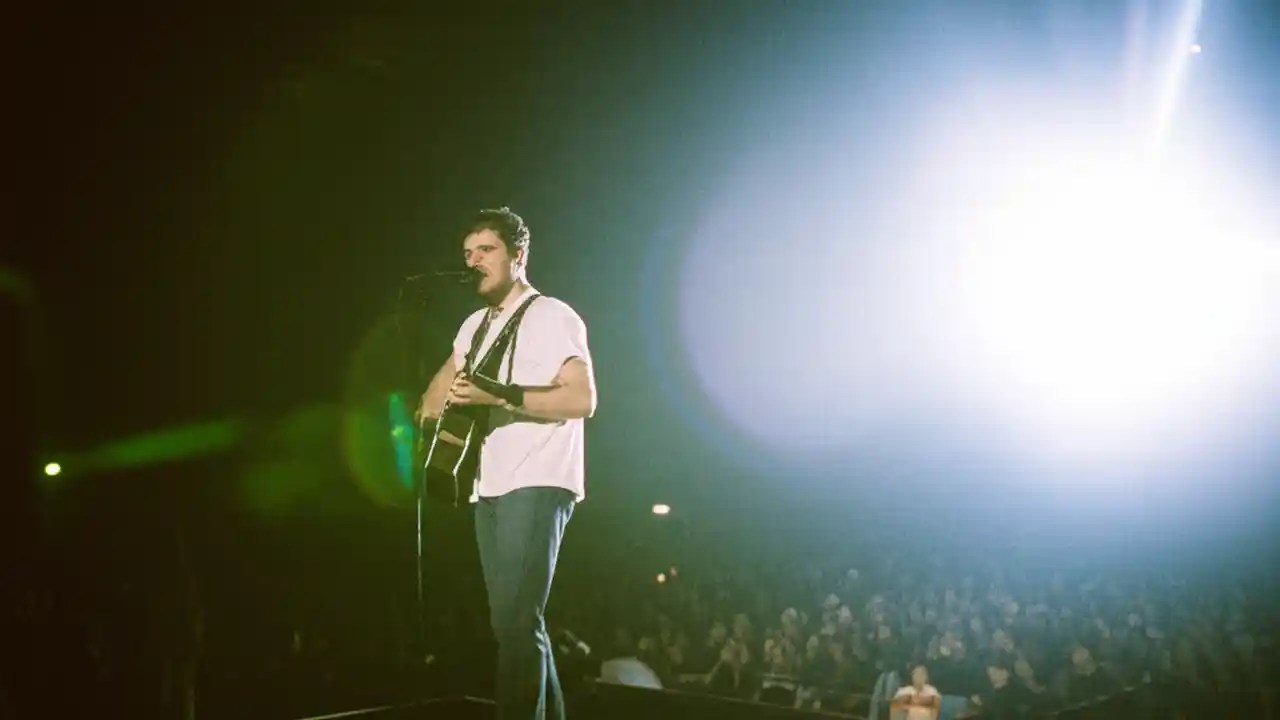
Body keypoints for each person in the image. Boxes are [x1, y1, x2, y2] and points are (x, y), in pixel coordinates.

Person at [416, 207, 597, 719]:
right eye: (467, 254)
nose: (474, 261)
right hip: (487, 485)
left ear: (518, 255)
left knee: (518, 622)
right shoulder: (473, 325)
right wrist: (433, 402)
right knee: (515, 623)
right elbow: (434, 398)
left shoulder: (553, 315)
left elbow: (582, 399)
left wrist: (500, 395)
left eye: (486, 250)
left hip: (540, 478)